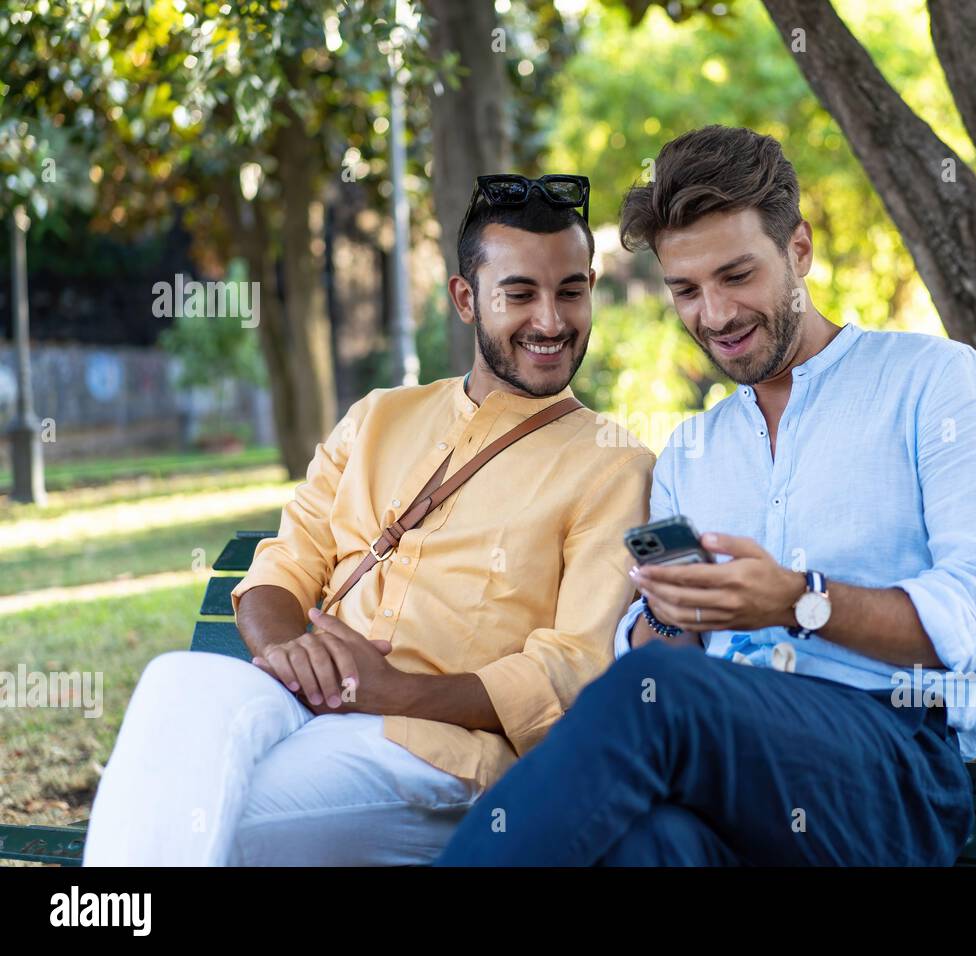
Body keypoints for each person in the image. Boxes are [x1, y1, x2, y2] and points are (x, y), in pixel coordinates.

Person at [437, 126, 976, 867]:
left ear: (800, 251)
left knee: (661, 693)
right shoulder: (692, 450)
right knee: (650, 846)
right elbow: (660, 647)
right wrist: (672, 611)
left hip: (893, 771)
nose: (714, 314)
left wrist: (797, 600)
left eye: (737, 276)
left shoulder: (934, 382)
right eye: (686, 290)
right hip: (727, 782)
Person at [83, 174, 653, 865]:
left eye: (570, 291)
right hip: (301, 703)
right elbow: (286, 563)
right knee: (178, 679)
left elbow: (574, 670)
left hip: (435, 756)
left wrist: (390, 691)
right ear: (466, 299)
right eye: (520, 293)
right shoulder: (380, 417)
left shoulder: (612, 465)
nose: (551, 321)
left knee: (202, 818)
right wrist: (288, 652)